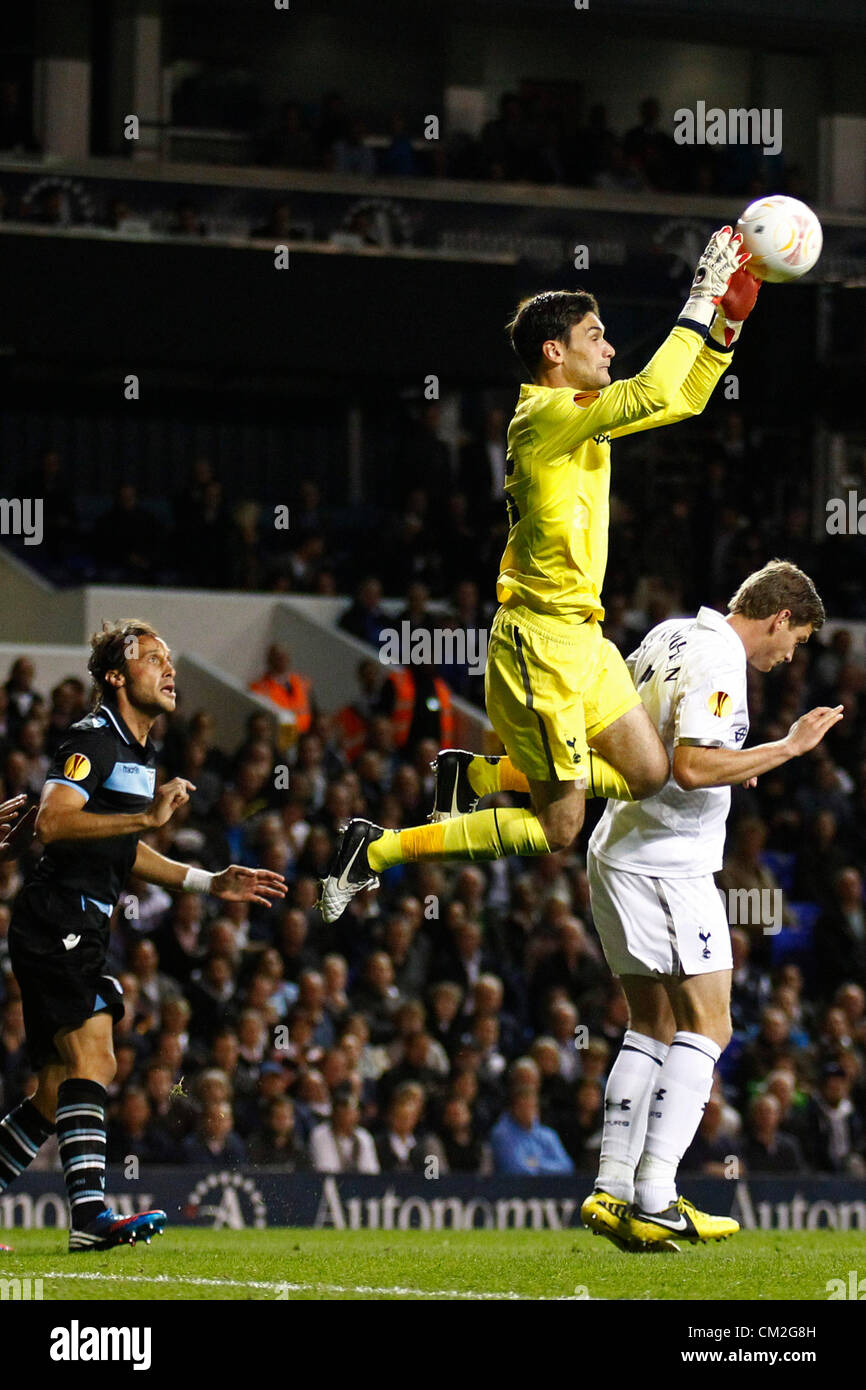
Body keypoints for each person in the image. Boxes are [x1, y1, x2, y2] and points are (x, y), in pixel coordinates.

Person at [319, 228, 757, 922]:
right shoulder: (545, 416)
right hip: (539, 649)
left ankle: (481, 773)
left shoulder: (580, 417)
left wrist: (729, 320)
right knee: (559, 831)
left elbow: (682, 400)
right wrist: (701, 297)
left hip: (584, 640)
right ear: (555, 352)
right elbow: (650, 390)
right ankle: (374, 851)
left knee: (648, 775)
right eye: (596, 334)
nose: (609, 347)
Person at [0, 620, 286, 1252]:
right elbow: (52, 819)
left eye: (169, 660)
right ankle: (90, 1217)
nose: (168, 669)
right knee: (93, 1061)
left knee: (54, 1091)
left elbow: (122, 848)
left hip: (82, 922)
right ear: (116, 676)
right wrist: (148, 815)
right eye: (152, 659)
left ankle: (84, 1215)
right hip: (57, 920)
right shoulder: (93, 738)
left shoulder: (140, 752)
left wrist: (210, 883)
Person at [577, 561, 838, 1250]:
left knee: (651, 1025)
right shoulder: (723, 659)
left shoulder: (668, 635)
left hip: (616, 846)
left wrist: (733, 768)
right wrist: (784, 749)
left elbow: (639, 737)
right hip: (670, 863)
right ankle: (658, 1193)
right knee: (711, 1027)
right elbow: (692, 767)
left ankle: (613, 1190)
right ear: (780, 617)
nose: (790, 657)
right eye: (797, 639)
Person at [489, 1084, 574, 1175]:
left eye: (532, 1106)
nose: (528, 1111)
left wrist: (537, 1164)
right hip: (515, 1187)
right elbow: (516, 1169)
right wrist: (545, 1167)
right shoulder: (502, 1134)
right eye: (523, 1106)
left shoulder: (548, 1135)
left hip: (549, 1187)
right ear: (513, 1109)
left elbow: (566, 1166)